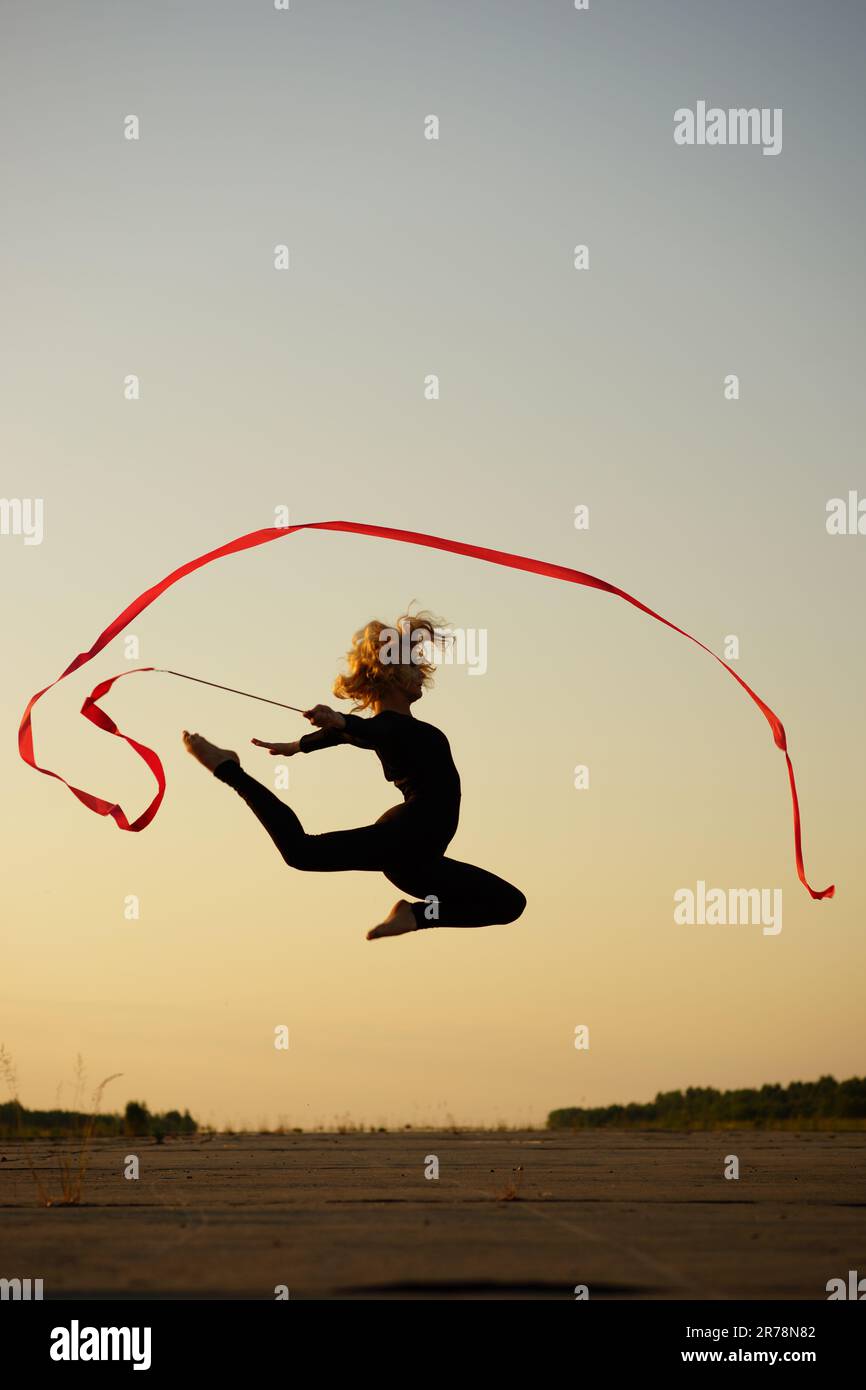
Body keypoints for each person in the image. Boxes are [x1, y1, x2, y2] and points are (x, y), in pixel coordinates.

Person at [183, 612, 526, 940]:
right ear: (390, 674)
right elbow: (370, 730)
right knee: (301, 852)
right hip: (409, 835)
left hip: (419, 862)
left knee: (509, 904)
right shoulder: (391, 727)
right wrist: (337, 723)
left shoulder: (394, 730)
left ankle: (415, 916)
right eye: (413, 664)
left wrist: (300, 744)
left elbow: (363, 732)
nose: (423, 672)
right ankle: (229, 769)